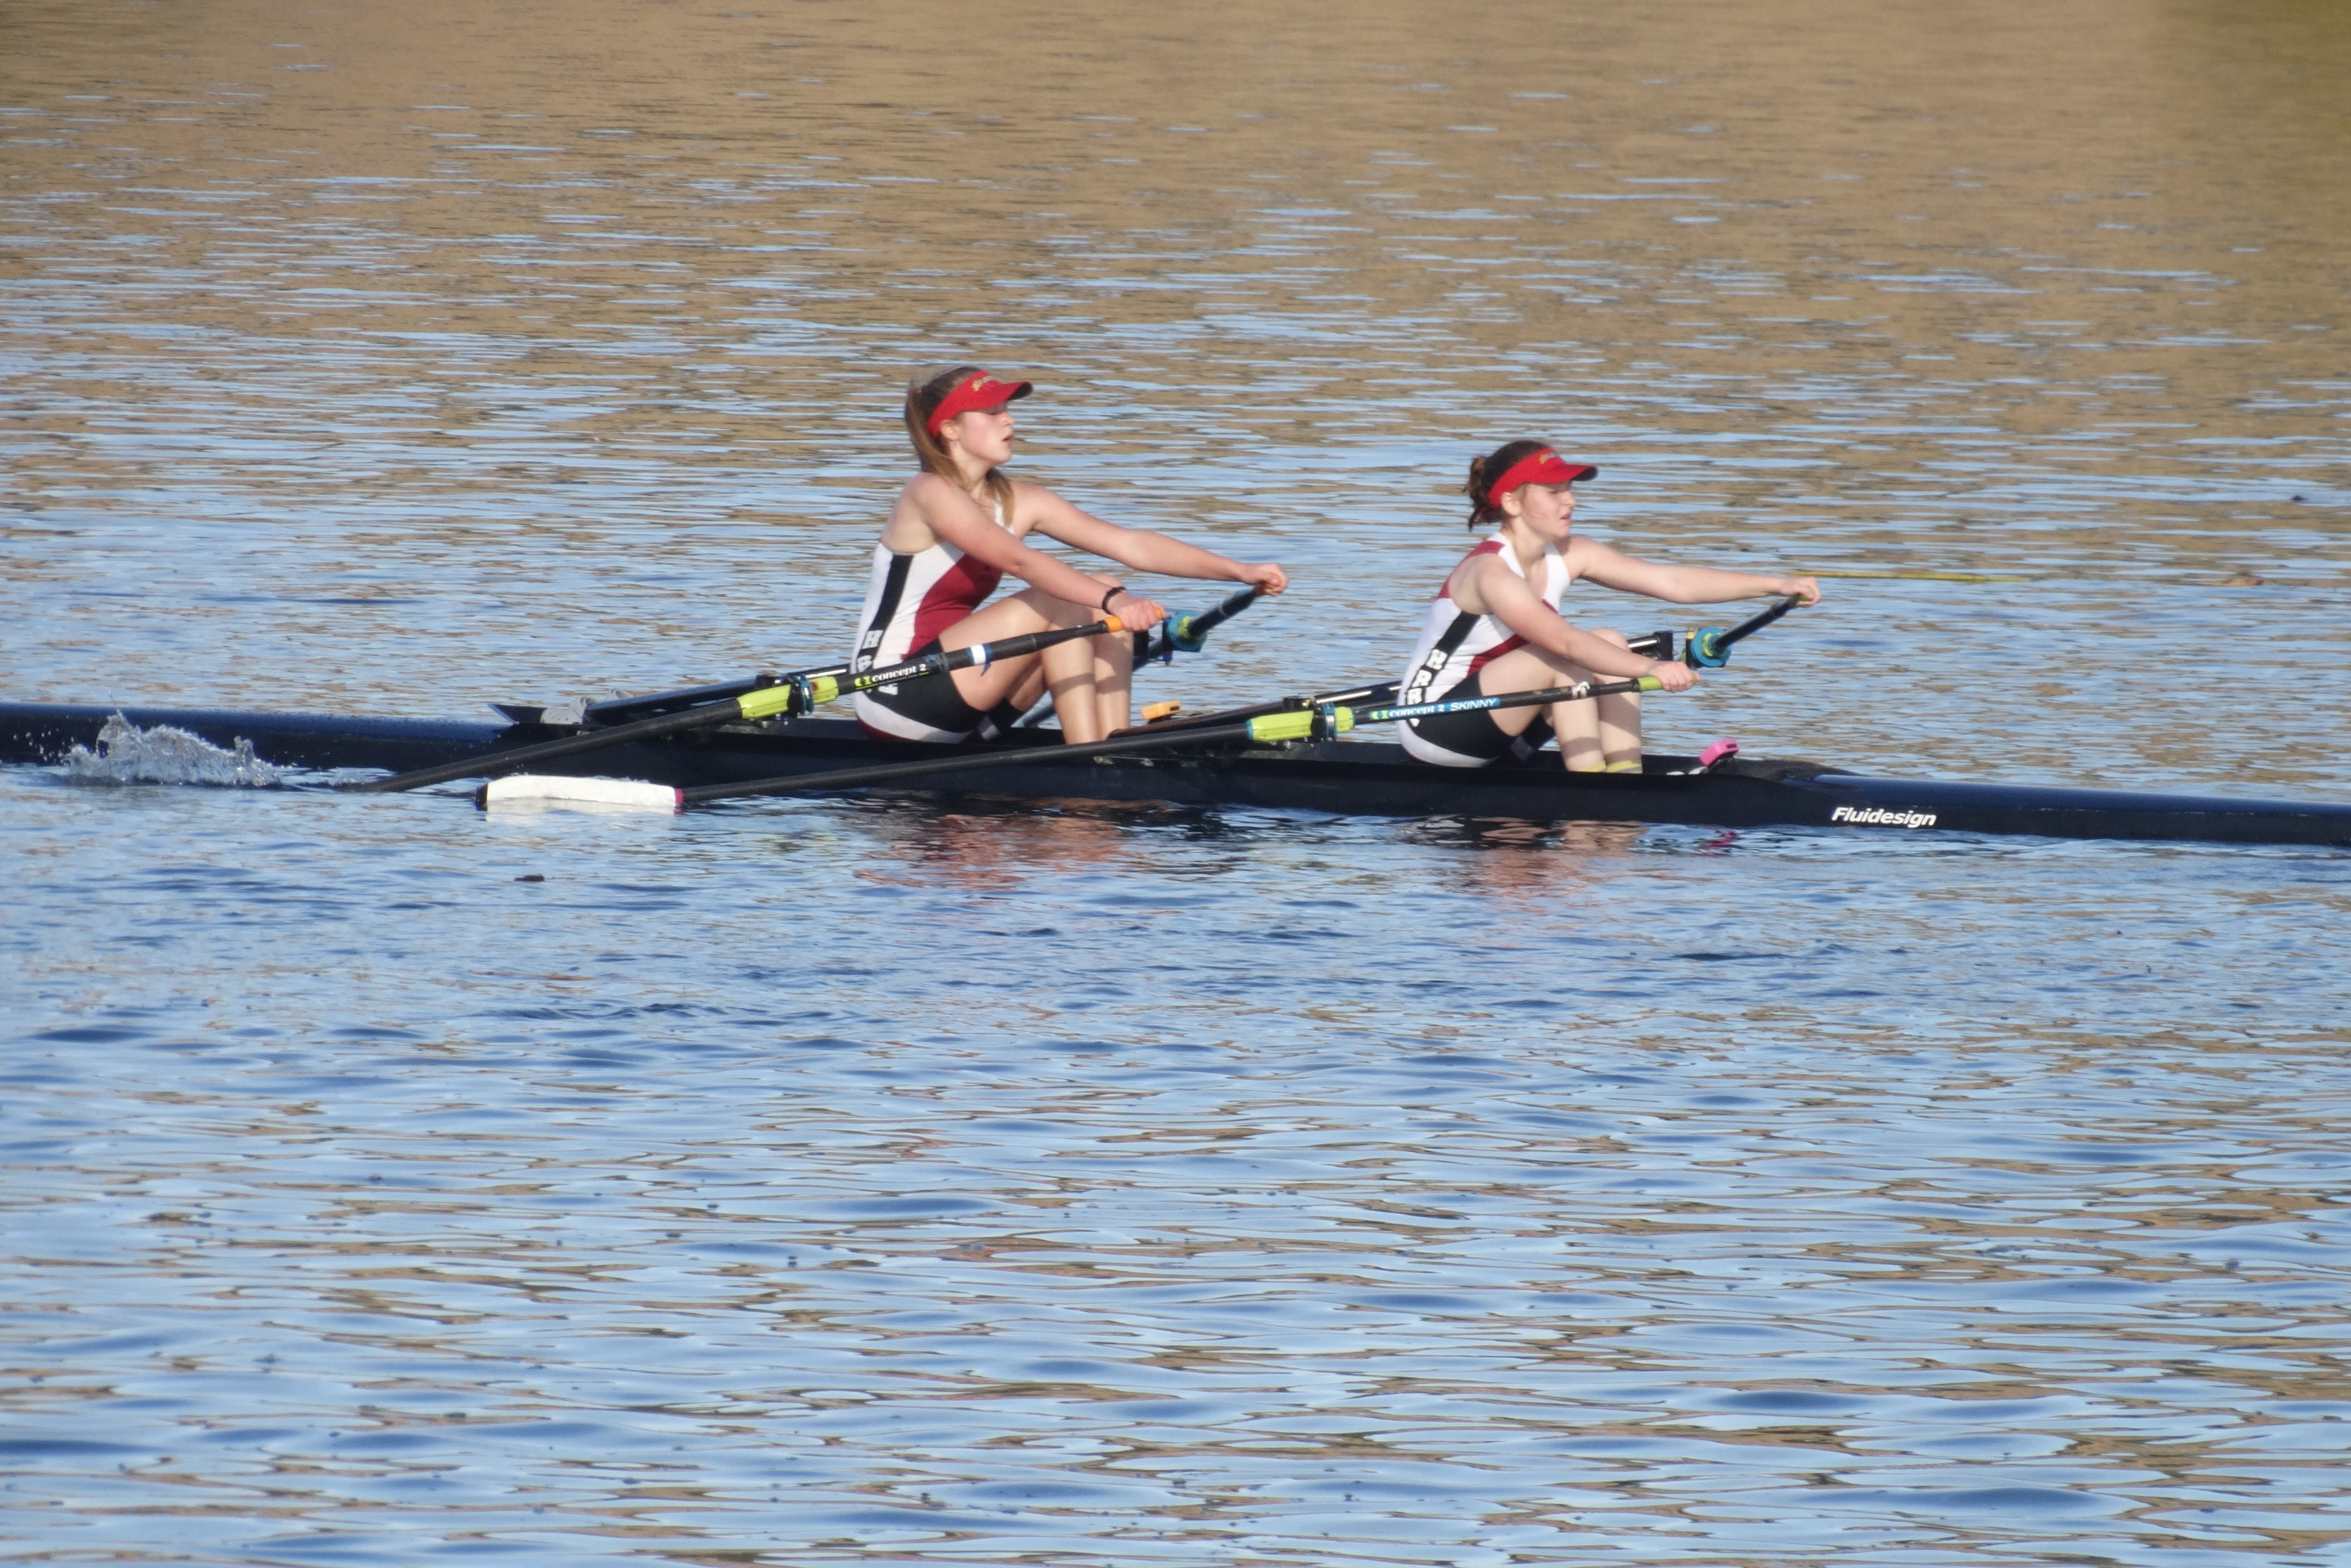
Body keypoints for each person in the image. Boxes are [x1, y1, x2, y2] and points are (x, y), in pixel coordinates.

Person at [851, 366, 1287, 746]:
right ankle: (1090, 758)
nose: (1009, 420)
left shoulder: (1020, 501)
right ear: (949, 429)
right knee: (1068, 596)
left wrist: (1239, 570)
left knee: (1098, 580)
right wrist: (1114, 601)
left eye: (1007, 410)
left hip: (965, 696)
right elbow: (1022, 563)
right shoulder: (928, 493)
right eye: (992, 412)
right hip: (894, 694)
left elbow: (1131, 545)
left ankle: (1111, 743)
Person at [1398, 440, 1819, 772]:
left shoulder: (1570, 552)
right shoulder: (1489, 570)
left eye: (1570, 489)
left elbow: (1673, 582)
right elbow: (1563, 642)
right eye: (1554, 490)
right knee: (1569, 655)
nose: (1571, 501)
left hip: (1502, 725)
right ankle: (1593, 791)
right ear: (1511, 503)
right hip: (1436, 725)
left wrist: (1776, 584)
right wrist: (1651, 668)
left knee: (1609, 640)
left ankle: (1623, 776)